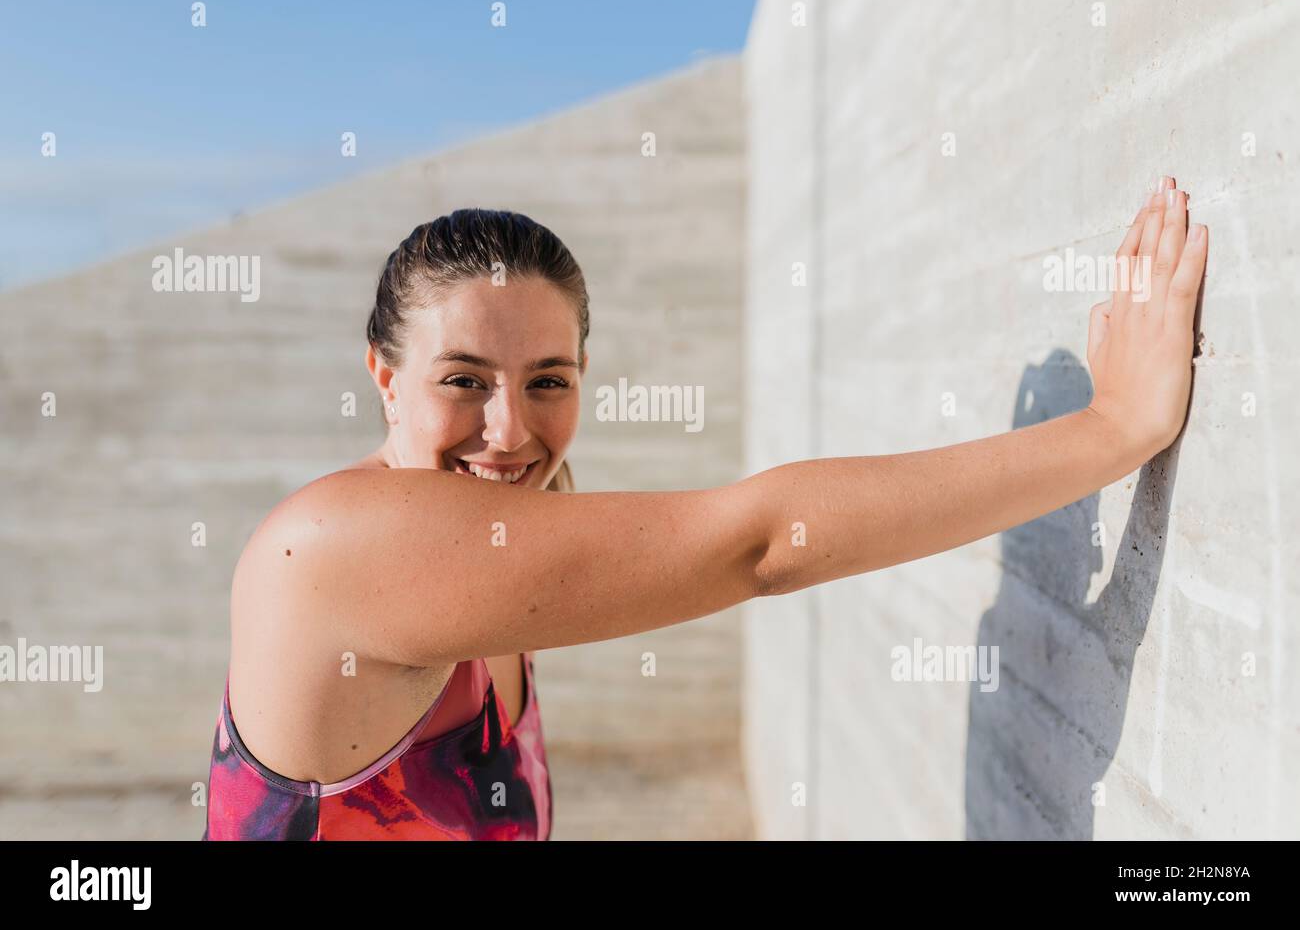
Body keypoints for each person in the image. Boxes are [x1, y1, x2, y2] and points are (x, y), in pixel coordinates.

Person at [203, 180, 1207, 840]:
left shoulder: (502, 527)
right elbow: (760, 545)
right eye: (463, 377)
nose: (509, 429)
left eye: (548, 380)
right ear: (382, 375)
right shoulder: (341, 546)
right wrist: (1113, 427)